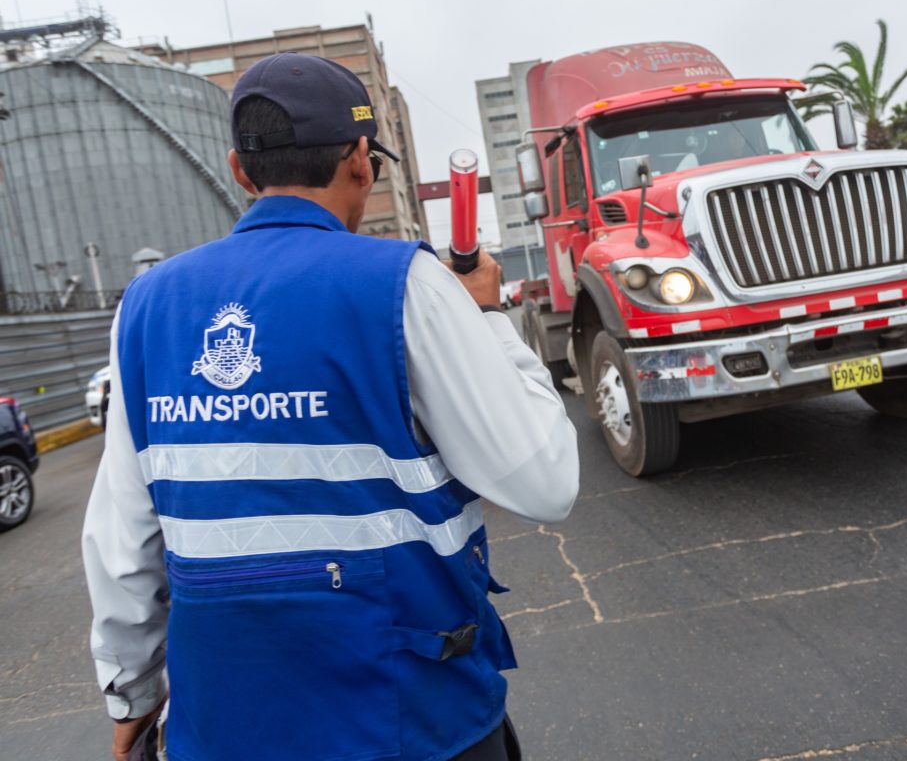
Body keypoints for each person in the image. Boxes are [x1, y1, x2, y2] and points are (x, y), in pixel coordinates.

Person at [81, 53, 579, 761]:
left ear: (239, 169)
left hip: (224, 729)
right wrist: (492, 316)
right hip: (413, 723)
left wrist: (130, 694)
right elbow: (545, 479)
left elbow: (123, 546)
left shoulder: (146, 308)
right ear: (359, 161)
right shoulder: (406, 283)